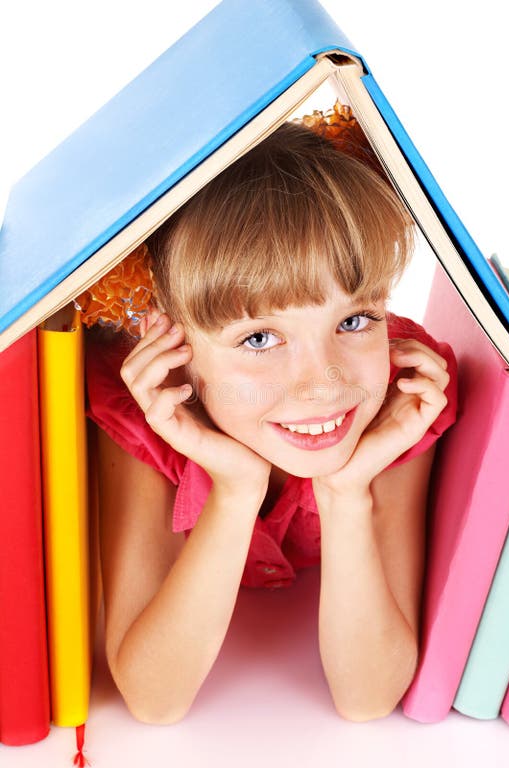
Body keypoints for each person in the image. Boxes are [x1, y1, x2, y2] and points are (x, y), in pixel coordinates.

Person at [82, 115, 457, 726]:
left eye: (355, 320)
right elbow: (153, 699)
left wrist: (347, 490)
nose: (324, 383)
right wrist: (233, 489)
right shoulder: (142, 408)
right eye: (259, 337)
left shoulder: (404, 394)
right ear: (173, 345)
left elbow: (367, 699)